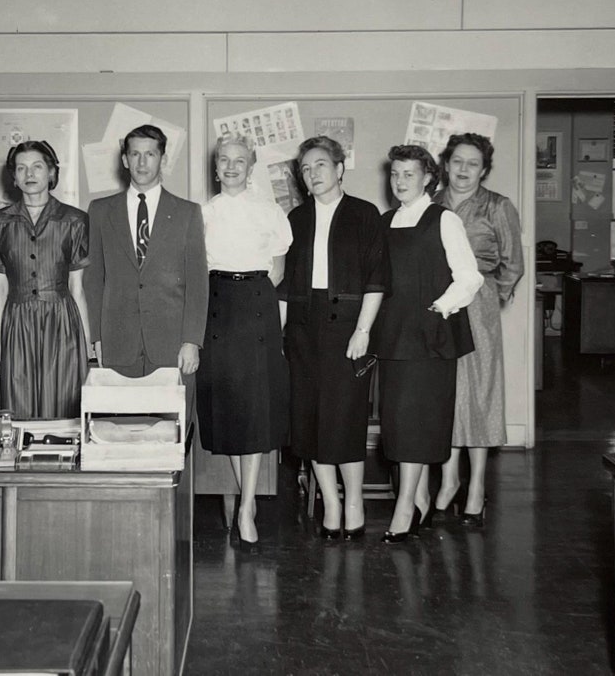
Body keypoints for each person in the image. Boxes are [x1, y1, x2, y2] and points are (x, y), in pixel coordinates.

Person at [279, 135, 386, 540]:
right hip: (304, 328)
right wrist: (283, 334)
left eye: (320, 165)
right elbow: (286, 287)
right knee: (309, 421)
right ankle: (331, 501)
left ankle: (354, 501)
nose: (312, 174)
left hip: (349, 326)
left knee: (344, 419)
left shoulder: (364, 214)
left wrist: (363, 330)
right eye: (305, 168)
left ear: (340, 169)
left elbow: (377, 279)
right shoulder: (296, 219)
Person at [374, 145, 481, 542]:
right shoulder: (385, 222)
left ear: (427, 179)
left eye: (408, 174)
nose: (400, 181)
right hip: (394, 335)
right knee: (398, 423)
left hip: (431, 336)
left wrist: (439, 308)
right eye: (395, 174)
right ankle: (418, 499)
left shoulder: (444, 219)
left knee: (418, 423)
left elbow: (469, 277)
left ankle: (405, 507)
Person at [421, 132, 524, 527]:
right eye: (457, 162)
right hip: (440, 307)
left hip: (477, 307)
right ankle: (448, 480)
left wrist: (490, 298)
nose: (463, 170)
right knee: (445, 391)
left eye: (473, 164)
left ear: (483, 170)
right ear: (445, 165)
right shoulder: (432, 204)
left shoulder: (498, 206)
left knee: (479, 393)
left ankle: (477, 484)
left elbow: (513, 264)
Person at [197, 134, 292, 550]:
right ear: (215, 167)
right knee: (233, 406)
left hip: (256, 304)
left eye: (240, 161)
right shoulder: (202, 213)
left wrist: (255, 300)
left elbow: (276, 271)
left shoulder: (270, 211)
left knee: (254, 407)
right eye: (224, 160)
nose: (232, 167)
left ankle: (247, 504)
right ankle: (245, 499)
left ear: (251, 167)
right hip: (216, 306)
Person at [83, 124, 208, 388]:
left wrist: (192, 341)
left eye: (150, 154)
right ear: (124, 160)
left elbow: (197, 284)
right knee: (117, 426)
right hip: (117, 343)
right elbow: (93, 279)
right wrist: (96, 337)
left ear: (163, 159)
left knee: (173, 426)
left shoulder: (188, 213)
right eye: (135, 154)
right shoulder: (100, 211)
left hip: (172, 345)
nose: (142, 162)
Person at [0, 140, 91, 419]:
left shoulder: (75, 220)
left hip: (62, 322)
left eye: (37, 167)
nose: (29, 174)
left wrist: (87, 344)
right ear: (14, 177)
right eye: (21, 168)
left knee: (65, 401)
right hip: (17, 321)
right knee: (18, 406)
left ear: (52, 173)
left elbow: (77, 288)